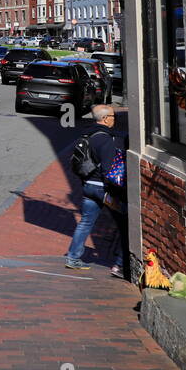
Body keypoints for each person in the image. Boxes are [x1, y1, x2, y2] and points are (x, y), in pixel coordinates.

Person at [66, 105, 129, 277]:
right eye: (113, 116)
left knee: (85, 222)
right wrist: (118, 190)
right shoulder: (106, 139)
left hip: (88, 186)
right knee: (125, 225)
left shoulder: (86, 135)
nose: (114, 119)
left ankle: (72, 258)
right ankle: (120, 265)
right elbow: (109, 169)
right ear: (105, 118)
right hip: (103, 189)